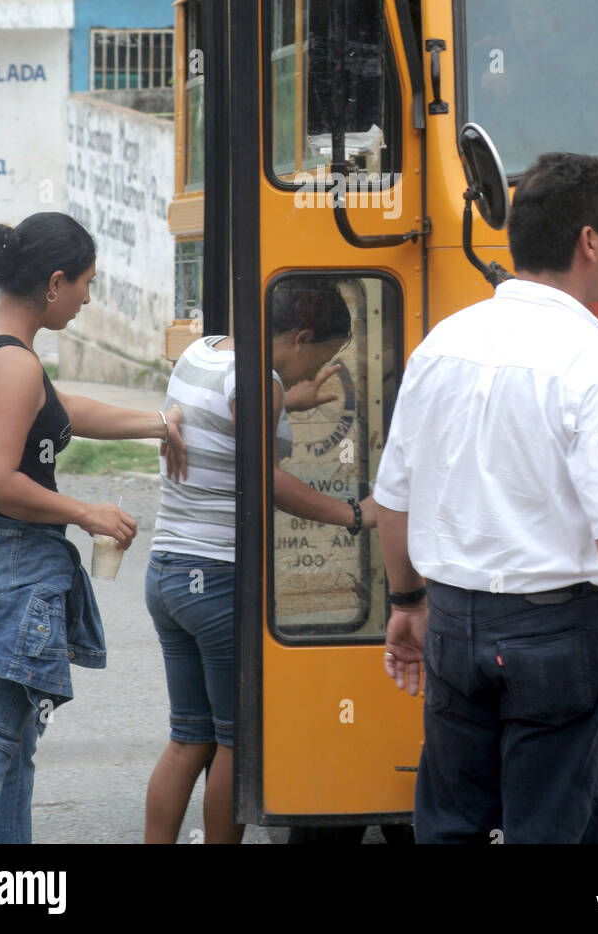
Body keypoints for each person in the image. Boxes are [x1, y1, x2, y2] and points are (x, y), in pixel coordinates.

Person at [373, 153, 598, 844]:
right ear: (588, 242)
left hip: (454, 626)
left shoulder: (442, 345)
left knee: (451, 828)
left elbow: (393, 498)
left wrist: (406, 606)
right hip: (555, 638)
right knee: (552, 829)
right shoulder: (596, 359)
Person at [0, 214, 186, 845]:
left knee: (7, 747)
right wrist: (85, 512)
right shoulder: (14, 364)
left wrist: (156, 422)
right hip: (2, 564)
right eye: (87, 284)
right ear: (55, 283)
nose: (89, 299)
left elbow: (60, 412)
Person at [144, 276, 377, 845]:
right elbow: (266, 481)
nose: (317, 368)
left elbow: (218, 425)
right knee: (236, 741)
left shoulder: (205, 350)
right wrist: (355, 514)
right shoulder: (262, 382)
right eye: (325, 353)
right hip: (217, 576)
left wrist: (287, 400)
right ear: (300, 337)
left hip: (168, 569)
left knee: (187, 738)